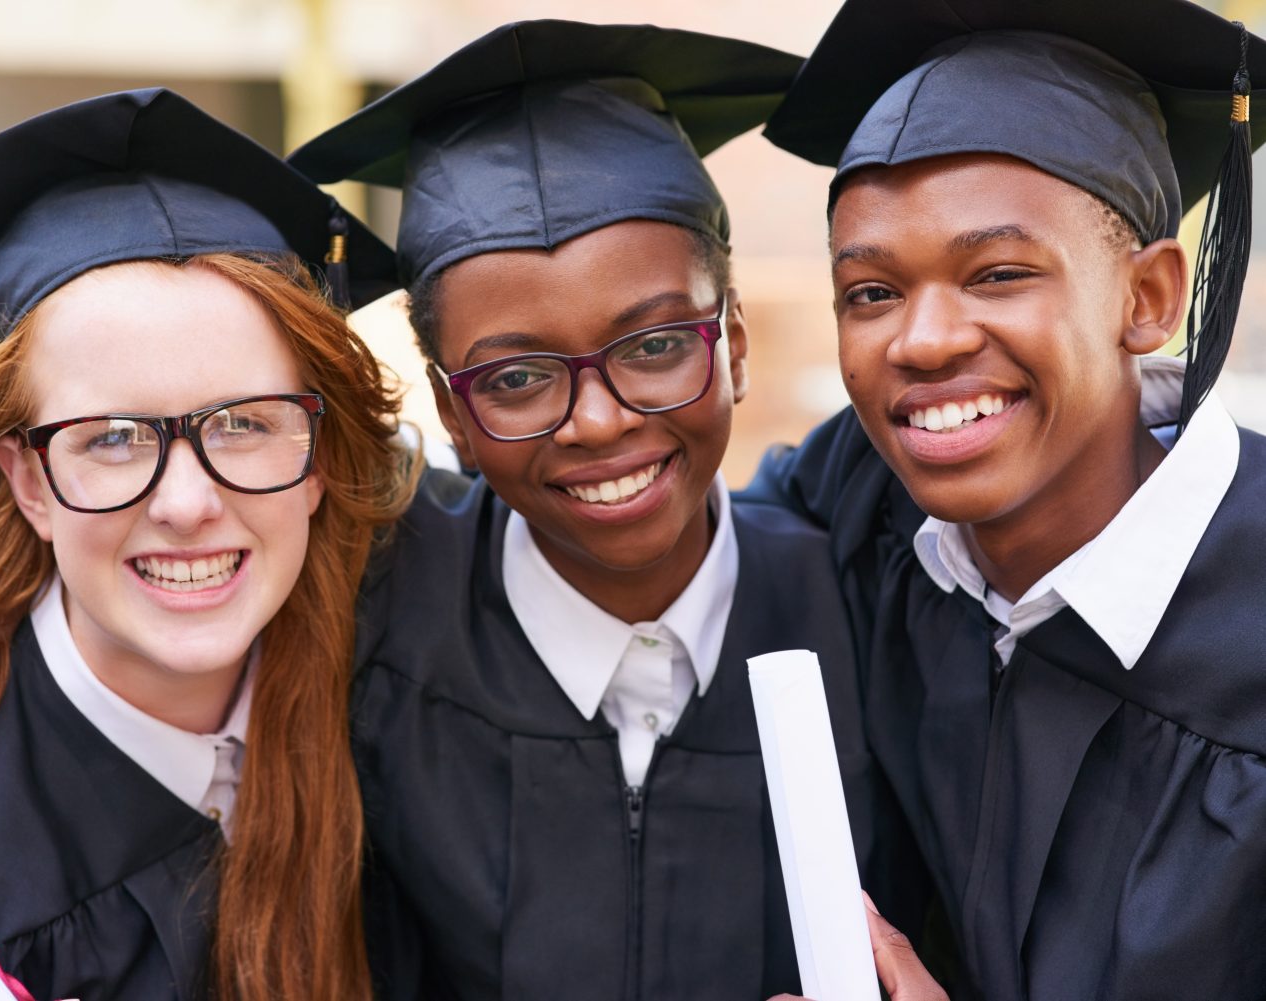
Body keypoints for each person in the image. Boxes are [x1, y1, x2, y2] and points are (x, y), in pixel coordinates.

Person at [289, 20, 929, 1000]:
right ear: (452, 409)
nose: (597, 420)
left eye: (656, 345)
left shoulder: (868, 612)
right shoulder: (376, 625)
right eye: (515, 376)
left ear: (738, 344)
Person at [0, 88, 413, 1001]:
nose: (187, 503)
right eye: (111, 437)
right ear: (28, 481)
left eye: (243, 424)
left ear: (318, 458)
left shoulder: (409, 683)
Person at [750, 1, 1266, 998]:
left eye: (998, 273)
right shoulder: (868, 506)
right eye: (871, 291)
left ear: (1149, 298)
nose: (924, 339)